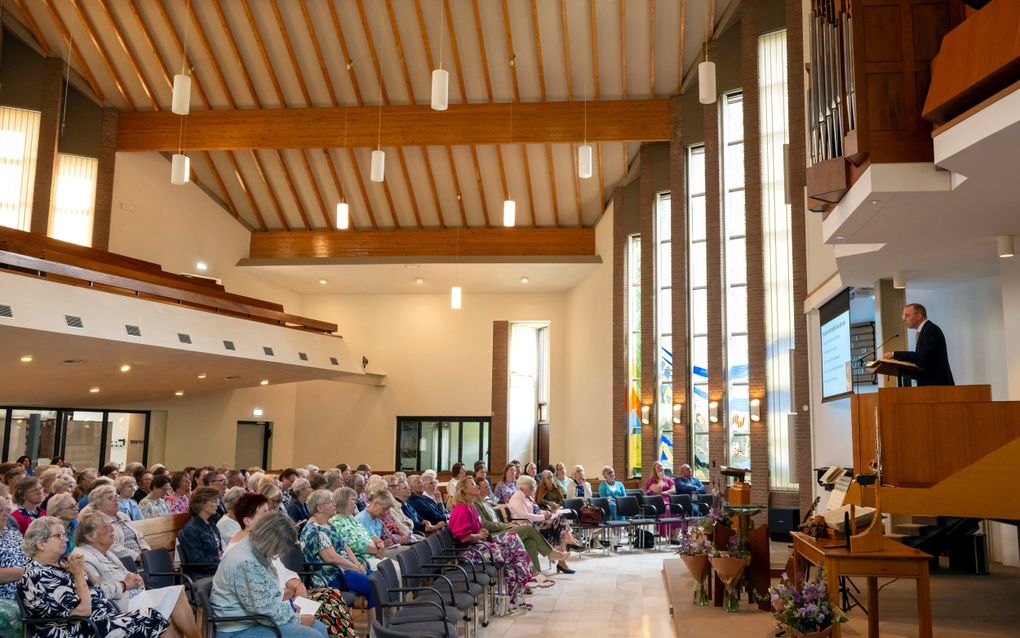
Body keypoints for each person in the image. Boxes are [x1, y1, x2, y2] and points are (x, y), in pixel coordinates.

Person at [20, 517, 171, 637]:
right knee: (151, 617)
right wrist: (78, 574)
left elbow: (95, 587)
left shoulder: (62, 564)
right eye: (58, 536)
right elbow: (83, 610)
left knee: (153, 614)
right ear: (41, 544)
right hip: (76, 630)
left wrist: (81, 572)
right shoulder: (37, 575)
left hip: (98, 621)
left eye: (65, 534)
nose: (65, 539)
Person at [72, 513, 201, 638]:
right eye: (105, 527)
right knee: (168, 612)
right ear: (90, 536)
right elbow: (98, 592)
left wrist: (136, 578)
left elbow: (126, 574)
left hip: (136, 595)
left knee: (177, 594)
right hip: (122, 605)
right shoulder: (84, 558)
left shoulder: (108, 552)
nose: (112, 528)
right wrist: (124, 584)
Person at [210, 512, 329, 637]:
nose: (280, 552)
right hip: (237, 630)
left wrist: (291, 612)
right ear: (272, 541)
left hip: (253, 620)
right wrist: (296, 618)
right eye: (280, 548)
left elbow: (264, 602)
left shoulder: (254, 546)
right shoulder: (247, 562)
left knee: (318, 627)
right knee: (312, 635)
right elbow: (263, 611)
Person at [449, 478, 534, 609]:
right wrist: (479, 535)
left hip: (479, 545)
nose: (476, 486)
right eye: (472, 485)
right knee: (509, 554)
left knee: (513, 537)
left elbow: (475, 529)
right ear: (464, 490)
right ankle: (516, 590)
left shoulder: (471, 506)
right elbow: (463, 538)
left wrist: (480, 532)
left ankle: (519, 586)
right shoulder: (461, 509)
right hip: (469, 553)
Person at [472, 479, 566, 577]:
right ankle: (550, 553)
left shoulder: (486, 502)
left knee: (531, 542)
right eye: (486, 487)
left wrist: (509, 524)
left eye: (488, 485)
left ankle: (536, 574)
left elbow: (496, 520)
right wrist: (506, 525)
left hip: (501, 529)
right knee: (528, 528)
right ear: (478, 489)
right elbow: (485, 524)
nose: (489, 488)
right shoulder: (476, 504)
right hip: (493, 536)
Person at [300, 489, 374, 607]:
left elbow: (345, 545)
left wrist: (357, 564)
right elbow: (332, 558)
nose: (335, 504)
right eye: (330, 502)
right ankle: (377, 624)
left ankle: (381, 621)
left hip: (343, 570)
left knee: (378, 577)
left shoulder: (328, 524)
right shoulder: (314, 531)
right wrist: (355, 567)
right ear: (319, 508)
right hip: (330, 576)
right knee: (373, 585)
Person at [507, 476, 575, 574]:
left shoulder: (527, 497)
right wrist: (544, 517)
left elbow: (536, 511)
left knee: (560, 520)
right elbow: (526, 516)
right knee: (560, 526)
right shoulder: (517, 498)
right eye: (531, 487)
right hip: (527, 526)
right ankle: (562, 554)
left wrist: (545, 513)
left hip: (533, 524)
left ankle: (559, 554)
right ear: (523, 487)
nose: (533, 490)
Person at [883, 303, 955, 386]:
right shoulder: (924, 330)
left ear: (918, 316)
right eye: (903, 316)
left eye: (907, 315)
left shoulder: (931, 330)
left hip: (937, 385)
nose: (904, 319)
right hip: (930, 385)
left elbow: (921, 356)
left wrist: (894, 354)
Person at [80, 484, 151, 561]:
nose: (116, 500)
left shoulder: (122, 516)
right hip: (122, 562)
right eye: (111, 498)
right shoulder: (96, 521)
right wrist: (137, 556)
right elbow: (109, 546)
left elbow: (139, 536)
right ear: (98, 504)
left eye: (116, 496)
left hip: (142, 558)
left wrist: (145, 551)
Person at [329, 487, 385, 568]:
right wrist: (377, 550)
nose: (356, 502)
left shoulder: (350, 517)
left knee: (397, 568)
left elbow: (367, 533)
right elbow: (354, 545)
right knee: (395, 570)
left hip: (373, 556)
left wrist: (379, 542)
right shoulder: (335, 521)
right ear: (342, 500)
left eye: (356, 499)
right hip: (361, 560)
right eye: (353, 499)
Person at [175, 487, 223, 579]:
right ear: (202, 504)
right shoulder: (191, 529)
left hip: (216, 569)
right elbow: (197, 561)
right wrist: (221, 563)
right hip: (204, 575)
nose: (217, 504)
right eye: (213, 501)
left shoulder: (211, 523)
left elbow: (219, 551)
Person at [0, 495, 29, 632]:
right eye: (0, 511)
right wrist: (25, 572)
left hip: (29, 589)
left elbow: (31, 557)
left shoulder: (13, 534)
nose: (6, 514)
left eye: (7, 510)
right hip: (6, 596)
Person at [644, 461, 680, 540]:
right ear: (654, 470)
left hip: (668, 498)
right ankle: (667, 533)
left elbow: (673, 490)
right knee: (666, 508)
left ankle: (674, 536)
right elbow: (657, 490)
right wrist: (660, 480)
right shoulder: (651, 480)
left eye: (661, 466)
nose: (660, 468)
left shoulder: (668, 479)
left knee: (678, 510)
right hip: (657, 500)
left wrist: (663, 493)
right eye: (658, 467)